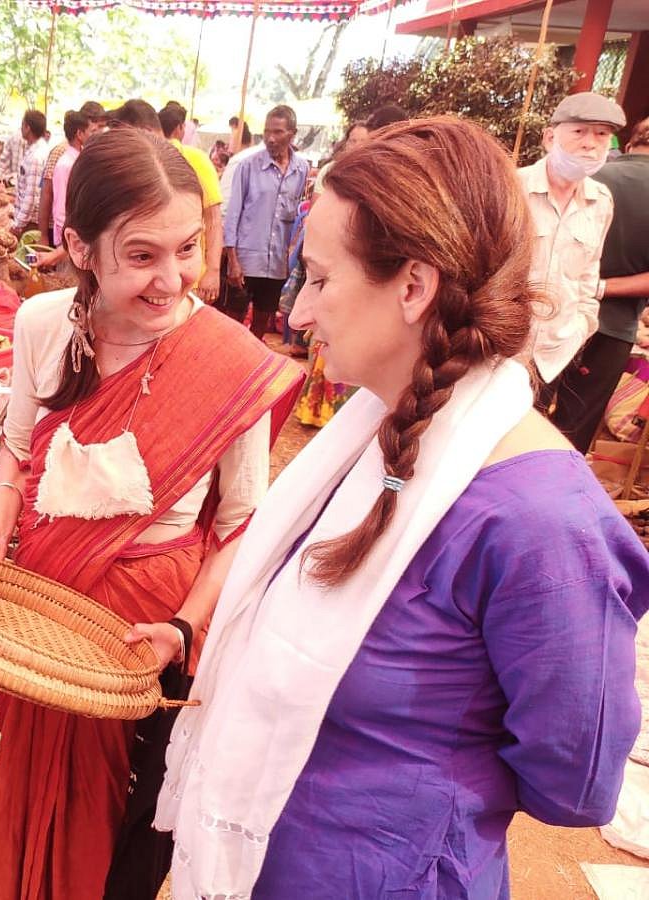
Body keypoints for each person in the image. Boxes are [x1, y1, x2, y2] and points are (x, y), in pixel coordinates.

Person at [156, 116, 649, 899]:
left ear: (413, 287)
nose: (301, 314)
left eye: (320, 280)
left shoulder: (543, 527)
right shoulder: (371, 434)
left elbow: (573, 779)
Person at [0, 127, 305, 900]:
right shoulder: (42, 324)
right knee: (32, 772)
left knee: (127, 826)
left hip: (144, 635)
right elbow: (16, 450)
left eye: (187, 249)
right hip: (42, 611)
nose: (173, 279)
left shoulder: (231, 364)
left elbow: (242, 522)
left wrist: (183, 630)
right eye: (142, 256)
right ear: (79, 247)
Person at [518, 92, 620, 409]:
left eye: (602, 134)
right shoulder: (514, 188)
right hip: (504, 349)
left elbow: (589, 274)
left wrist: (582, 326)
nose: (590, 143)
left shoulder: (600, 201)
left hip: (553, 355)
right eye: (579, 131)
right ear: (550, 137)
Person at [553, 115, 649, 451]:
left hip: (553, 313)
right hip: (612, 329)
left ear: (629, 142)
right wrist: (603, 288)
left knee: (522, 413)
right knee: (572, 431)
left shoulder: (585, 176)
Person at [223, 104, 310, 336]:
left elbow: (295, 213)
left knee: (261, 322)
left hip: (276, 264)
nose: (271, 139)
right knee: (233, 321)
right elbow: (233, 213)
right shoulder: (248, 166)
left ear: (292, 134)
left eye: (278, 132)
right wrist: (232, 259)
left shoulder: (301, 169)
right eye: (267, 132)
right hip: (246, 259)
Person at [158, 102, 224, 302]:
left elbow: (212, 219)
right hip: (183, 277)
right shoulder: (197, 158)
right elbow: (214, 220)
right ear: (180, 128)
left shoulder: (194, 158)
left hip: (191, 280)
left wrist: (212, 271)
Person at [37, 102, 105, 248]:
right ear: (80, 133)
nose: (98, 134)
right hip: (66, 238)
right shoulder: (64, 161)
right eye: (93, 130)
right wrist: (60, 242)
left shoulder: (81, 157)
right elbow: (57, 204)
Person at [11, 110, 50, 236]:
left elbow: (31, 196)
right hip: (29, 220)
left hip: (31, 222)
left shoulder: (36, 156)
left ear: (28, 127)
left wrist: (18, 224)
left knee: (27, 255)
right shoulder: (36, 150)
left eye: (22, 125)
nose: (21, 128)